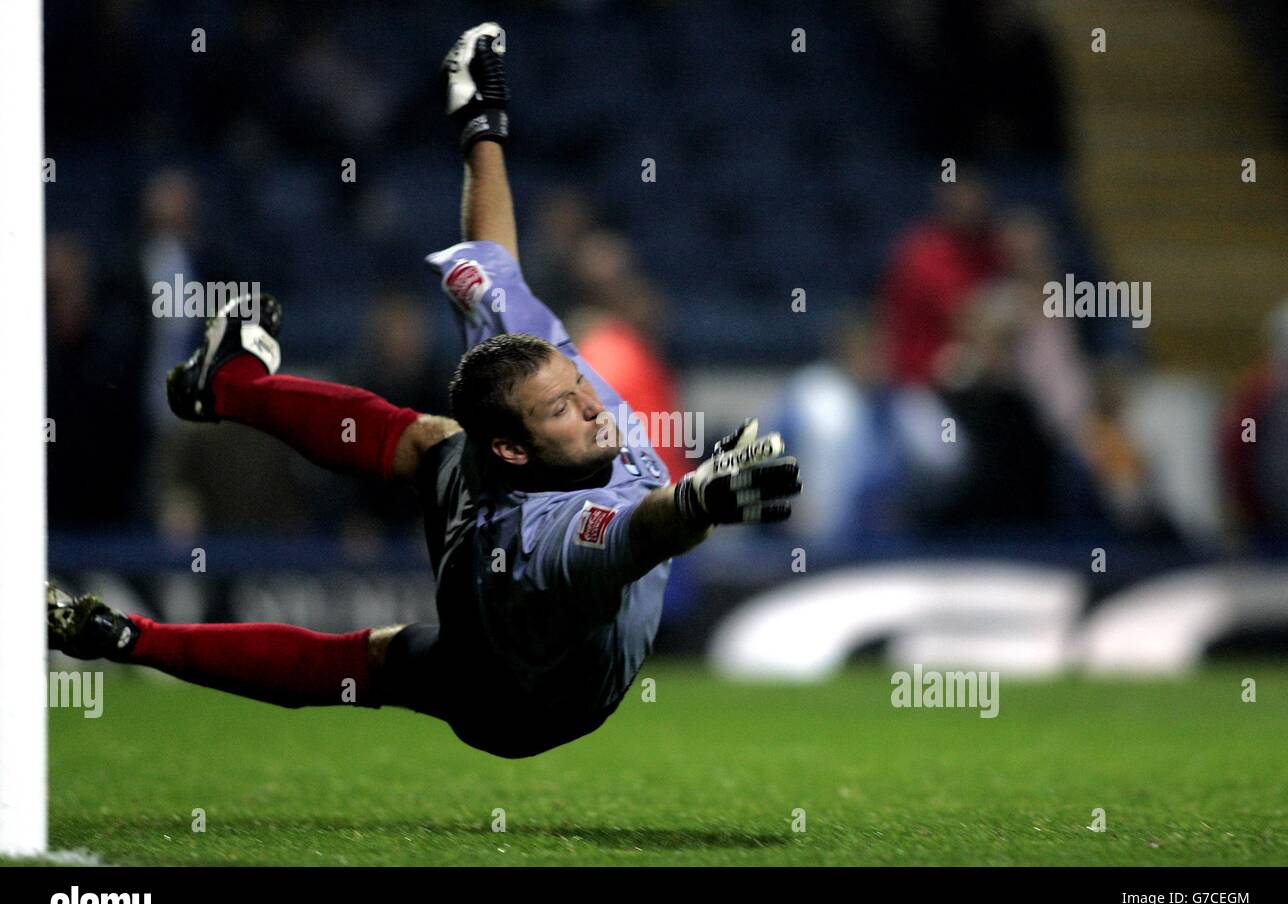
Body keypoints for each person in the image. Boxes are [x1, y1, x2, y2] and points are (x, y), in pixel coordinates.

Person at [47, 22, 801, 759]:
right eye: (564, 406)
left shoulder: (542, 406)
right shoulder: (562, 529)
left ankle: (228, 400)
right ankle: (121, 632)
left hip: (509, 666)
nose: (592, 403)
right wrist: (702, 496)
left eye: (576, 385)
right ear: (511, 444)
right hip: (521, 677)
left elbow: (492, 259)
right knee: (385, 609)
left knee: (420, 484)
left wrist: (481, 127)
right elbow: (649, 527)